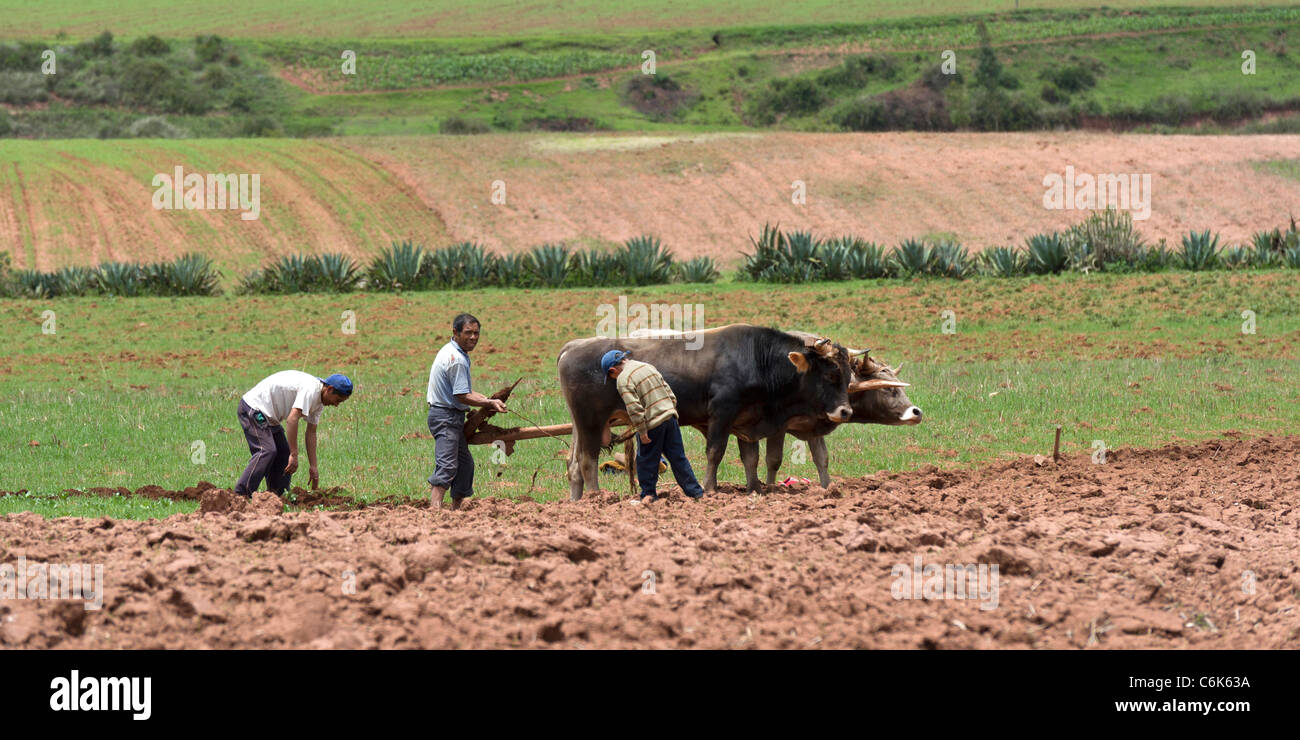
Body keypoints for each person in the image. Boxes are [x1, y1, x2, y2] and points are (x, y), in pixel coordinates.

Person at [602, 350, 704, 503]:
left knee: (646, 460)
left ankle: (648, 496)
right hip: (669, 417)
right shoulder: (646, 366)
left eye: (611, 376)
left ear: (612, 370)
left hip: (652, 424)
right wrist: (670, 410)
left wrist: (642, 431)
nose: (613, 379)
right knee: (678, 458)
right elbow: (668, 391)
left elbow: (634, 408)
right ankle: (695, 493)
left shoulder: (623, 379)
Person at [427, 313, 505, 510]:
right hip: (446, 417)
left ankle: (458, 508)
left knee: (465, 465)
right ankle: (434, 510)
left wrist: (488, 400)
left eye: (476, 333)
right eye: (468, 333)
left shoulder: (452, 351)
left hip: (448, 415)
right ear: (455, 332)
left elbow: (465, 392)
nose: (473, 338)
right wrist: (488, 402)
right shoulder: (457, 359)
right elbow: (462, 396)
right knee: (447, 465)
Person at [235, 371, 352, 497]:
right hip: (253, 407)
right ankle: (241, 494)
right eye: (337, 400)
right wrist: (294, 454)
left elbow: (311, 432)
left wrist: (313, 467)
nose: (336, 405)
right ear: (329, 389)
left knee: (283, 453)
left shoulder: (319, 401)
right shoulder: (311, 390)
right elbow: (292, 419)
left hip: (270, 416)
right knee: (266, 450)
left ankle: (279, 495)